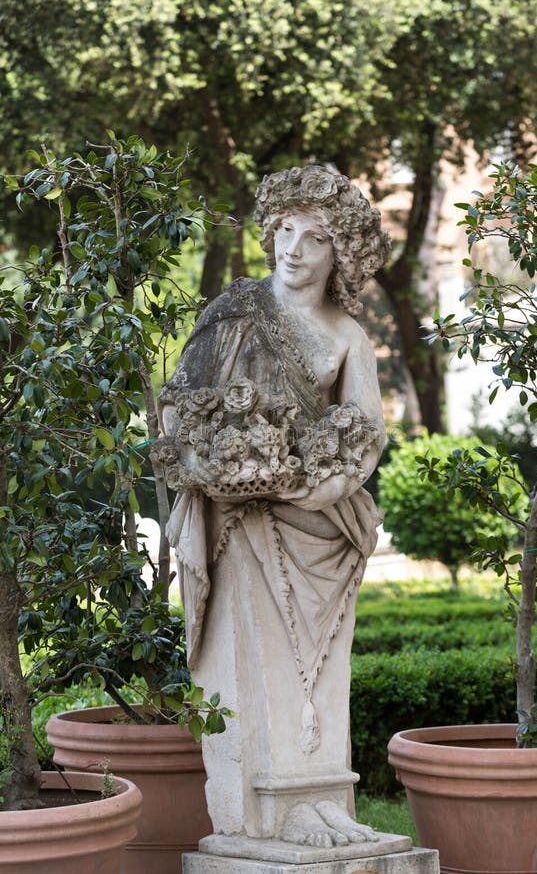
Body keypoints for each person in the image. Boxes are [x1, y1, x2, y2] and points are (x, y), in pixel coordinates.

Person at [158, 166, 390, 849]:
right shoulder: (233, 311)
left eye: (313, 238)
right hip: (239, 526)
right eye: (284, 232)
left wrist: (309, 482)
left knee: (316, 668)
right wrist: (219, 461)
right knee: (251, 665)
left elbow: (364, 435)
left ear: (338, 251)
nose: (293, 249)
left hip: (317, 526)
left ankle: (320, 801)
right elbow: (179, 406)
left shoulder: (347, 336)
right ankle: (262, 815)